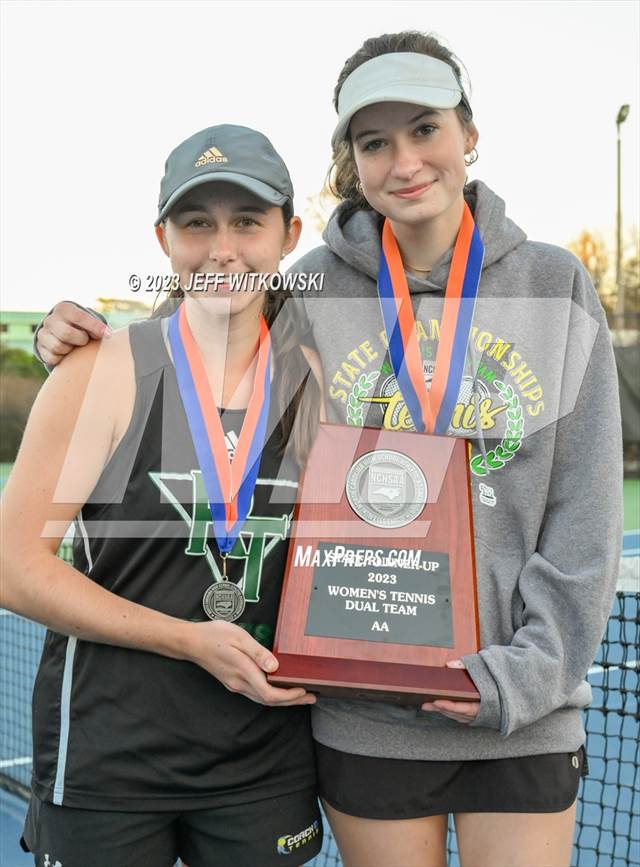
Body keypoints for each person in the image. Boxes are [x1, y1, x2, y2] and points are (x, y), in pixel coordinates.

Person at [33, 31, 623, 867]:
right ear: (351, 160)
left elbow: (587, 506)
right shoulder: (310, 286)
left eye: (425, 129)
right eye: (374, 142)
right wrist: (69, 339)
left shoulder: (555, 283)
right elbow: (203, 320)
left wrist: (522, 676)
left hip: (518, 708)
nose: (405, 160)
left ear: (470, 135)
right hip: (362, 711)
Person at [1, 123, 326, 867]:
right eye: (196, 223)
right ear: (163, 238)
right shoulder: (100, 371)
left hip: (262, 759)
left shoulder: (317, 379)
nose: (222, 249)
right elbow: (13, 564)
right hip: (110, 757)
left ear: (289, 233)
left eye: (247, 221)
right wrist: (187, 639)